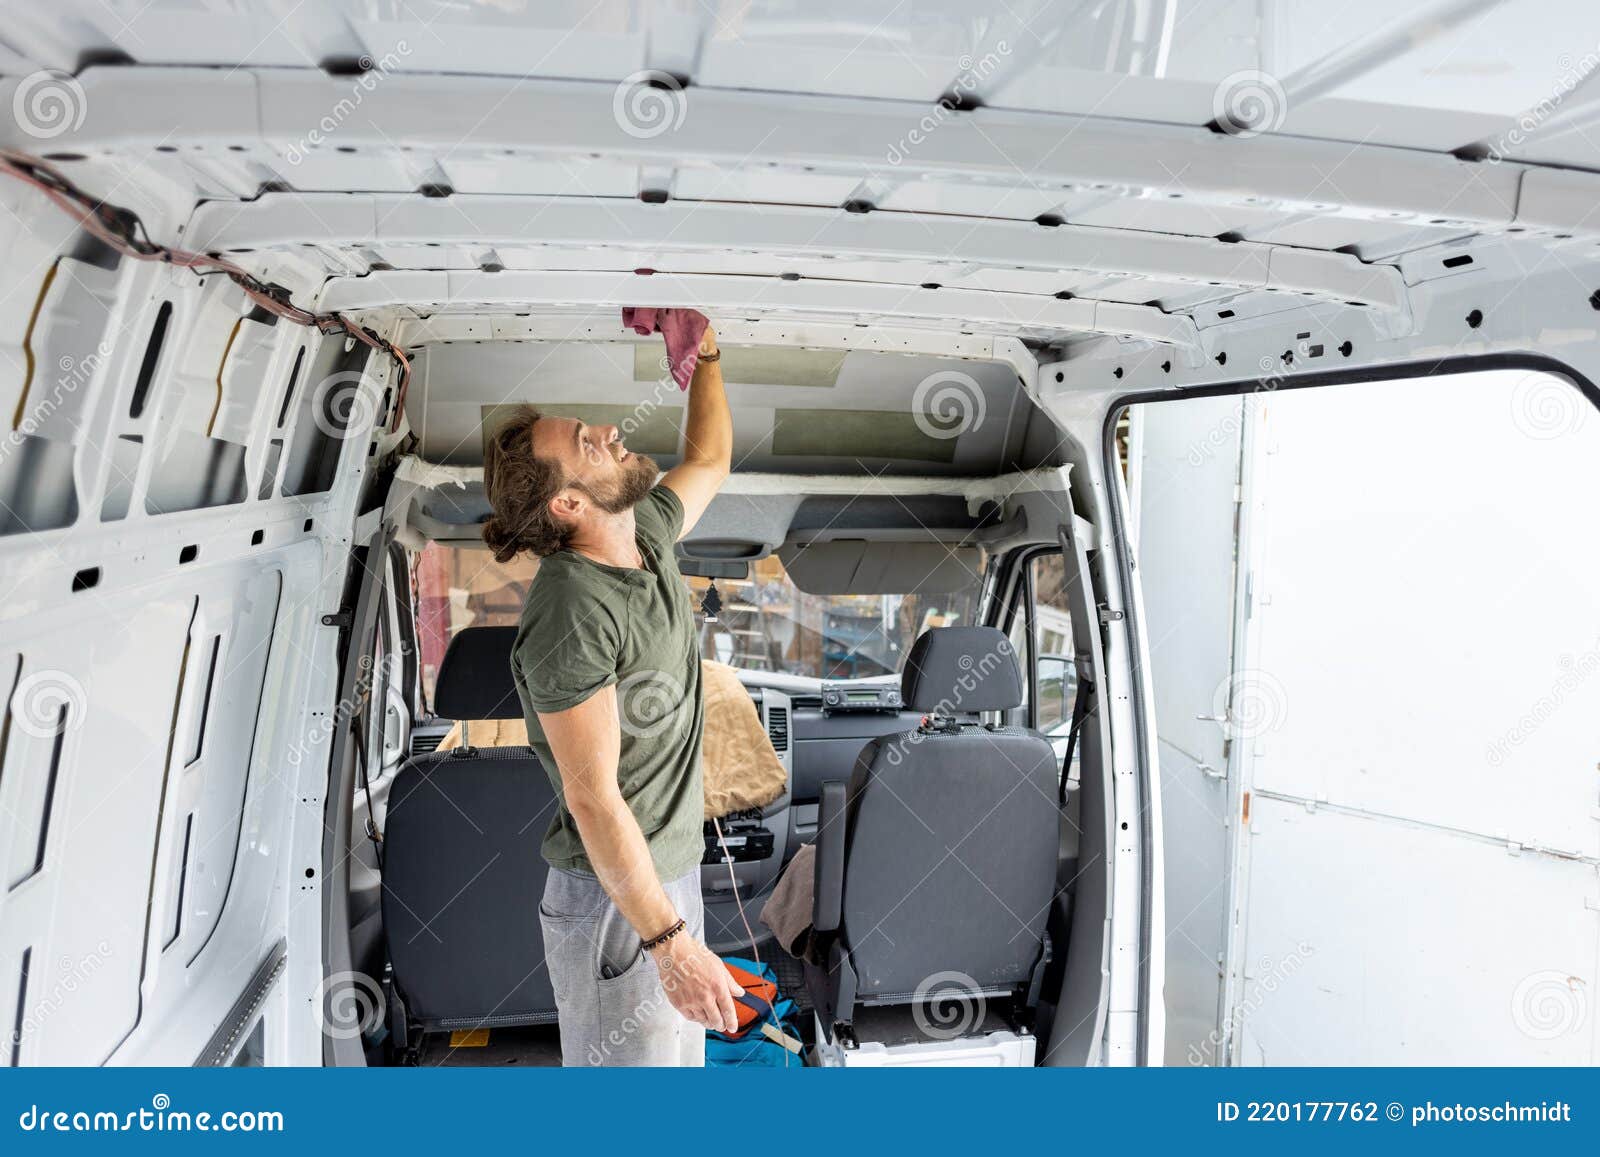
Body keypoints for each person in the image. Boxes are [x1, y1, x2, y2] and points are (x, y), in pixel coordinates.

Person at [482, 320, 740, 1066]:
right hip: (616, 906)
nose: (605, 430)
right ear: (568, 505)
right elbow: (592, 796)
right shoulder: (570, 609)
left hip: (664, 883)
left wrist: (708, 353)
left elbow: (711, 457)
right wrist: (668, 943)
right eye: (585, 445)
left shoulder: (648, 534)